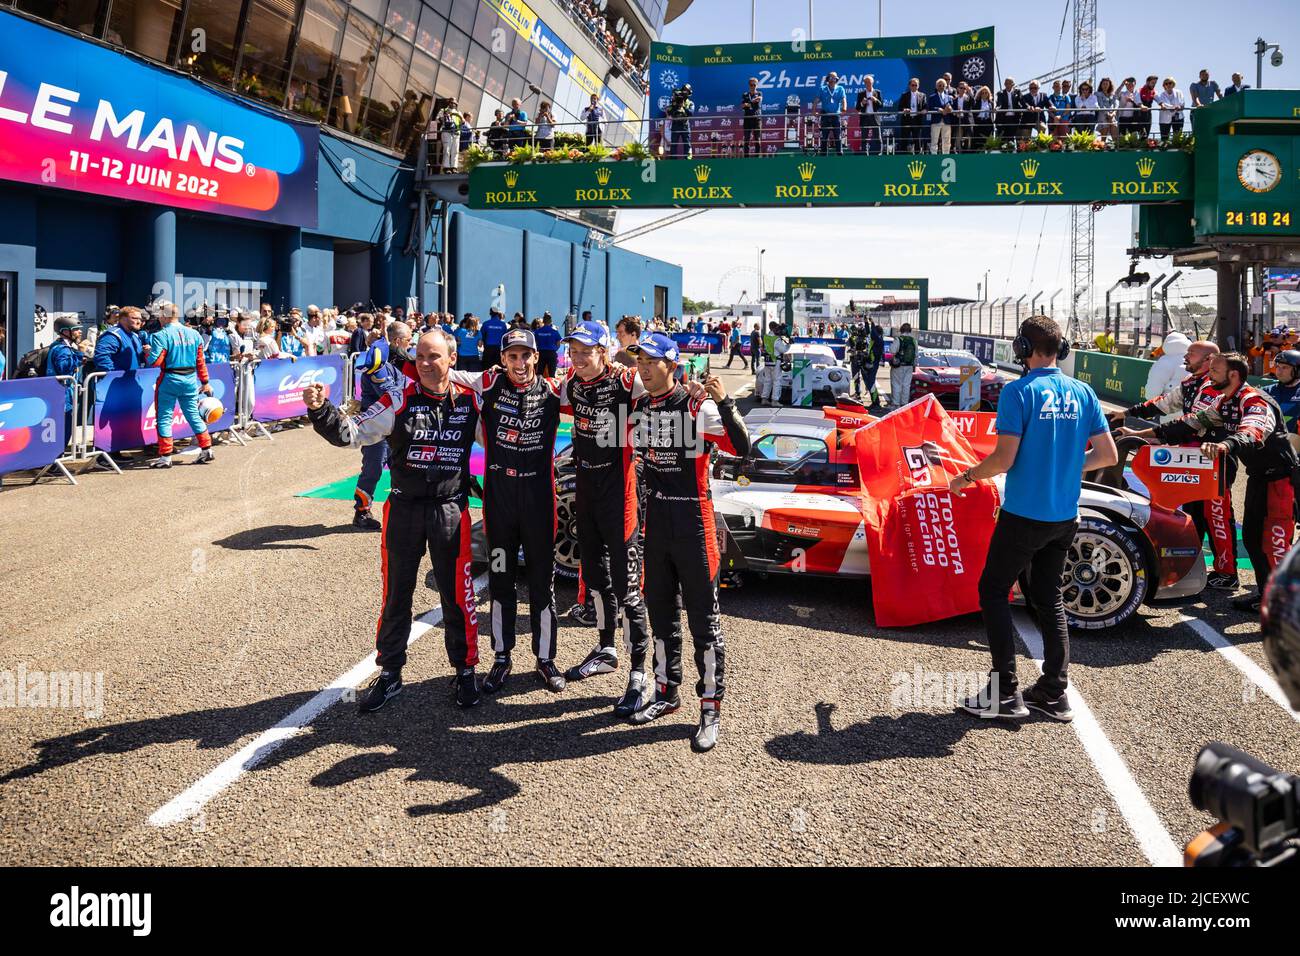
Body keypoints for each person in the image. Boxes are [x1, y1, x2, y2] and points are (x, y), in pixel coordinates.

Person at [305, 329, 483, 711]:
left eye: (433, 356)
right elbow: (350, 434)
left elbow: (501, 442)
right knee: (396, 594)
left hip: (450, 509)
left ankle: (465, 671)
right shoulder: (398, 400)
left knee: (457, 596)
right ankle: (390, 674)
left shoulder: (471, 402)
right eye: (419, 356)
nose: (424, 363)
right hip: (403, 509)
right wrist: (321, 410)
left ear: (452, 359)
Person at [951, 316, 1117, 721]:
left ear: (1022, 349)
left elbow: (1004, 459)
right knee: (1049, 599)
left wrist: (967, 477)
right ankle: (1053, 693)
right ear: (1059, 350)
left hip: (1024, 515)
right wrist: (1064, 468)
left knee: (992, 591)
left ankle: (1005, 692)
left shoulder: (1017, 392)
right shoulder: (1083, 392)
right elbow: (1108, 455)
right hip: (1065, 516)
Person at [624, 333, 751, 752]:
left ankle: (710, 706)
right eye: (639, 360)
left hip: (695, 523)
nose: (642, 366)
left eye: (651, 361)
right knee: (660, 613)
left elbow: (742, 447)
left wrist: (726, 402)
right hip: (656, 522)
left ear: (672, 366)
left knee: (704, 621)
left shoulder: (696, 406)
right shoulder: (641, 406)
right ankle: (665, 692)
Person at [449, 328, 567, 694]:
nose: (519, 363)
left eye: (525, 356)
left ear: (536, 358)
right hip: (500, 501)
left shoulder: (553, 390)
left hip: (537, 501)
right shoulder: (487, 383)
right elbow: (442, 371)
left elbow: (598, 390)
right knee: (500, 579)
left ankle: (545, 659)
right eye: (512, 356)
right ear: (502, 359)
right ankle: (502, 658)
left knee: (541, 584)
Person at [556, 320, 653, 715]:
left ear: (604, 350)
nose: (578, 358)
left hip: (621, 496)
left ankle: (640, 674)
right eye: (573, 351)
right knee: (595, 578)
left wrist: (696, 390)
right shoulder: (572, 384)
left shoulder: (628, 381)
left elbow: (667, 391)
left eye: (586, 351)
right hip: (587, 493)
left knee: (630, 587)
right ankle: (607, 648)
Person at [1112, 339, 1239, 588]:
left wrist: (1141, 435)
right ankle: (1193, 566)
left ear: (1209, 361)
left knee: (1217, 516)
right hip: (1192, 460)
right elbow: (1162, 403)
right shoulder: (1190, 382)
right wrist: (1127, 414)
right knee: (1191, 514)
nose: (1185, 357)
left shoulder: (1213, 387)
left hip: (1215, 459)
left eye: (1191, 354)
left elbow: (1189, 423)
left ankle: (1228, 573)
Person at [351, 321, 412, 530]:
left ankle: (400, 510)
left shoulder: (398, 362)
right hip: (377, 427)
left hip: (397, 426)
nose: (410, 345)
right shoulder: (378, 363)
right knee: (373, 469)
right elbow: (390, 394)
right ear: (397, 341)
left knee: (402, 468)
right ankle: (362, 512)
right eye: (408, 341)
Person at [146, 302, 215, 468]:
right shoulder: (195, 334)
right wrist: (205, 381)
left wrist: (148, 351)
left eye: (158, 315)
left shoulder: (159, 335)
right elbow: (200, 362)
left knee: (164, 417)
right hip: (190, 379)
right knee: (192, 414)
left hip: (169, 379)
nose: (157, 318)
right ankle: (207, 449)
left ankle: (165, 457)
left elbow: (155, 362)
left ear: (164, 316)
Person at [47, 315, 85, 440]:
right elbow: (64, 369)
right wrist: (80, 353)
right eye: (76, 329)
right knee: (64, 427)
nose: (80, 332)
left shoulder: (61, 346)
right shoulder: (62, 349)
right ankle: (56, 455)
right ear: (65, 331)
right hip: (62, 393)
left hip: (62, 392)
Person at [93, 306, 145, 373]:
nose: (139, 322)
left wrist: (146, 353)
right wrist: (114, 375)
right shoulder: (113, 335)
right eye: (134, 318)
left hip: (132, 380)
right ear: (123, 319)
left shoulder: (135, 336)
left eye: (140, 319)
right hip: (117, 382)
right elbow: (101, 357)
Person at [889, 322, 916, 406]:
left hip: (898, 366)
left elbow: (892, 351)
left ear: (901, 330)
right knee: (906, 385)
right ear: (910, 330)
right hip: (909, 366)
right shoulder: (914, 340)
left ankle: (896, 403)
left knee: (896, 384)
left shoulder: (898, 339)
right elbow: (916, 354)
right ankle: (904, 403)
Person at [926, 77, 955, 154]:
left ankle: (946, 156)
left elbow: (952, 107)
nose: (941, 87)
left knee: (947, 142)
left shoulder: (949, 97)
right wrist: (939, 109)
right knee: (934, 141)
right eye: (939, 85)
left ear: (945, 87)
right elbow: (930, 107)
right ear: (936, 86)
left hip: (946, 122)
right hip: (936, 121)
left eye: (943, 85)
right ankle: (934, 158)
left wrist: (949, 108)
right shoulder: (932, 97)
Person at [896, 77, 926, 154]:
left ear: (918, 86)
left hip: (917, 120)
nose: (914, 87)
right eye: (913, 85)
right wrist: (904, 110)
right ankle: (903, 156)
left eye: (916, 85)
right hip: (906, 120)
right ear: (909, 86)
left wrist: (925, 110)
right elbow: (900, 107)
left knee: (917, 139)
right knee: (904, 139)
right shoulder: (904, 95)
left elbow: (925, 106)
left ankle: (918, 155)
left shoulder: (922, 95)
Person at [855, 75, 882, 155]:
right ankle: (864, 153)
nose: (868, 84)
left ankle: (878, 153)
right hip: (865, 117)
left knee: (877, 137)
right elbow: (857, 108)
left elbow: (881, 105)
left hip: (874, 117)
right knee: (864, 137)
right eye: (866, 82)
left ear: (872, 82)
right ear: (864, 83)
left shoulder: (877, 92)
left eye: (869, 82)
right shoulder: (861, 94)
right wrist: (862, 103)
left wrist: (876, 100)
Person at [433, 98, 462, 173]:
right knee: (447, 150)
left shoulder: (458, 112)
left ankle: (454, 167)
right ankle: (446, 167)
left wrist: (461, 119)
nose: (453, 104)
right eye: (451, 103)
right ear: (449, 103)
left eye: (454, 103)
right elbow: (437, 119)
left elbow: (463, 122)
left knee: (455, 151)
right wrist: (444, 118)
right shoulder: (443, 110)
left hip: (456, 133)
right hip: (446, 132)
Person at [847, 323, 873, 401]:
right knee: (857, 377)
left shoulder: (865, 338)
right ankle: (859, 393)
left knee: (861, 377)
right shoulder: (865, 338)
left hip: (860, 360)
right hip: (859, 360)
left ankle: (863, 392)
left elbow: (850, 347)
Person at [1155, 77, 1186, 142]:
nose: (1168, 85)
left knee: (1178, 136)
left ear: (1173, 84)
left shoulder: (1179, 92)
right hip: (1165, 118)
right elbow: (1164, 104)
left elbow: (1182, 103)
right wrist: (1174, 107)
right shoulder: (1162, 95)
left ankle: (1177, 147)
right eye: (1166, 84)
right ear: (1164, 86)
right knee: (1164, 137)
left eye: (1170, 83)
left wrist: (1179, 107)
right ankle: (1164, 148)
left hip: (1178, 117)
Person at [741, 77, 763, 157]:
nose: (753, 86)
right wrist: (748, 103)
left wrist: (748, 103)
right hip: (747, 119)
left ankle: (757, 157)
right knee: (747, 139)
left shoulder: (760, 93)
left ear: (757, 85)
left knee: (757, 139)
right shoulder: (745, 94)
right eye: (751, 85)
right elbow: (742, 106)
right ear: (749, 85)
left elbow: (758, 100)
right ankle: (746, 157)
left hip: (757, 119)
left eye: (754, 85)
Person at [996, 77, 1023, 142]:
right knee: (1004, 138)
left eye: (1009, 83)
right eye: (1006, 83)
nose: (1007, 85)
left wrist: (1026, 107)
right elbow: (999, 104)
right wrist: (997, 108)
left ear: (1013, 84)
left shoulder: (1018, 92)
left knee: (1013, 137)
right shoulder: (1000, 93)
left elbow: (1022, 101)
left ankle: (1014, 150)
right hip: (1004, 118)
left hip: (1014, 118)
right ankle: (1004, 151)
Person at [534, 312, 561, 377]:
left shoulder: (538, 331)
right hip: (551, 353)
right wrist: (554, 349)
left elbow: (535, 343)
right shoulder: (554, 332)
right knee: (552, 373)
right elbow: (558, 343)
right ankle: (552, 386)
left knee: (540, 372)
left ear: (543, 321)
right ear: (551, 321)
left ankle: (538, 385)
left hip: (541, 353)